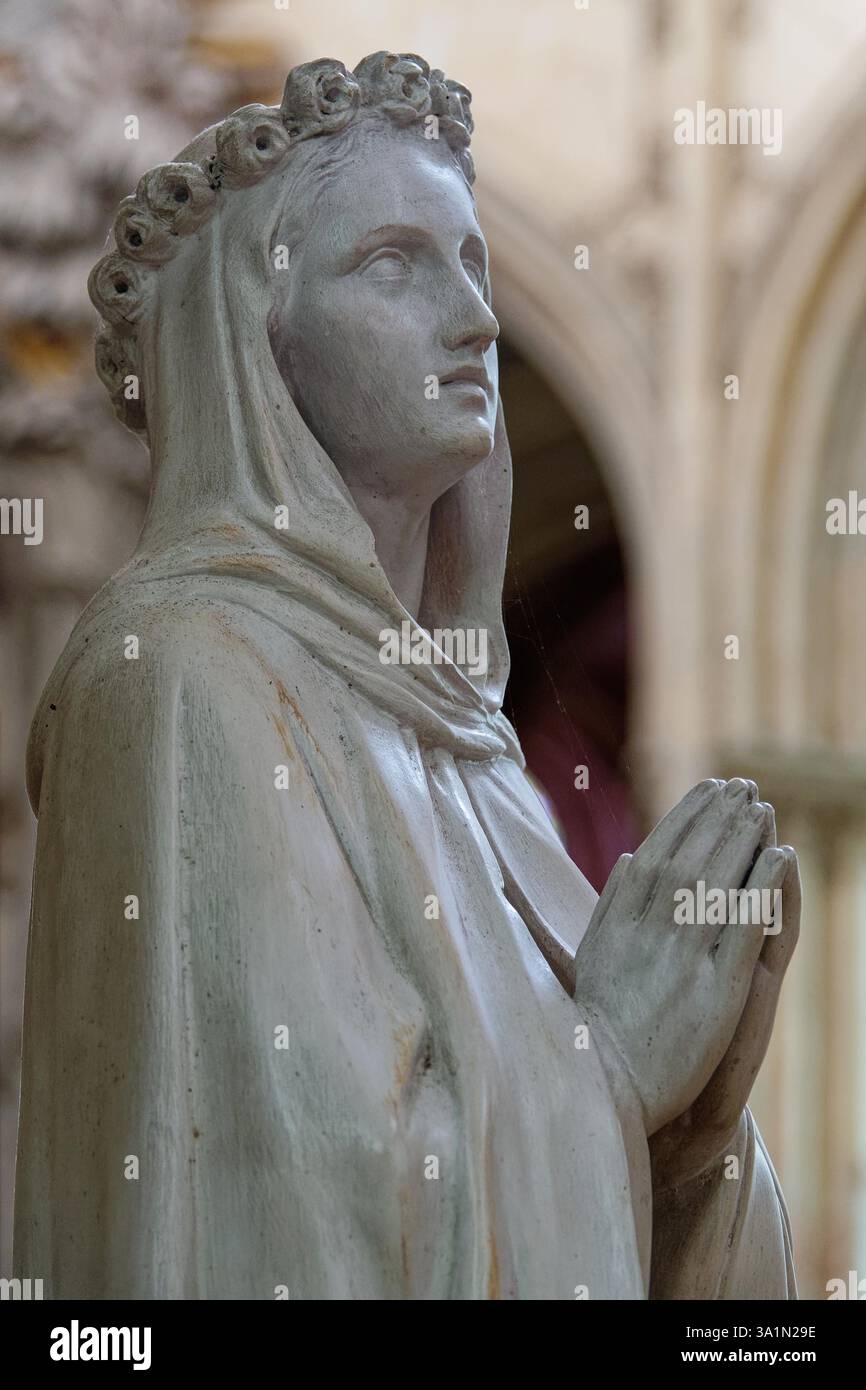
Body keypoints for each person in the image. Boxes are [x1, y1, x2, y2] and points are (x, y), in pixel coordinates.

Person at [14, 53, 798, 1299]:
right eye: (393, 262)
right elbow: (285, 1207)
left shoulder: (470, 748)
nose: (477, 315)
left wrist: (691, 1124)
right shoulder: (174, 671)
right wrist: (612, 1072)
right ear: (251, 336)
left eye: (474, 262)